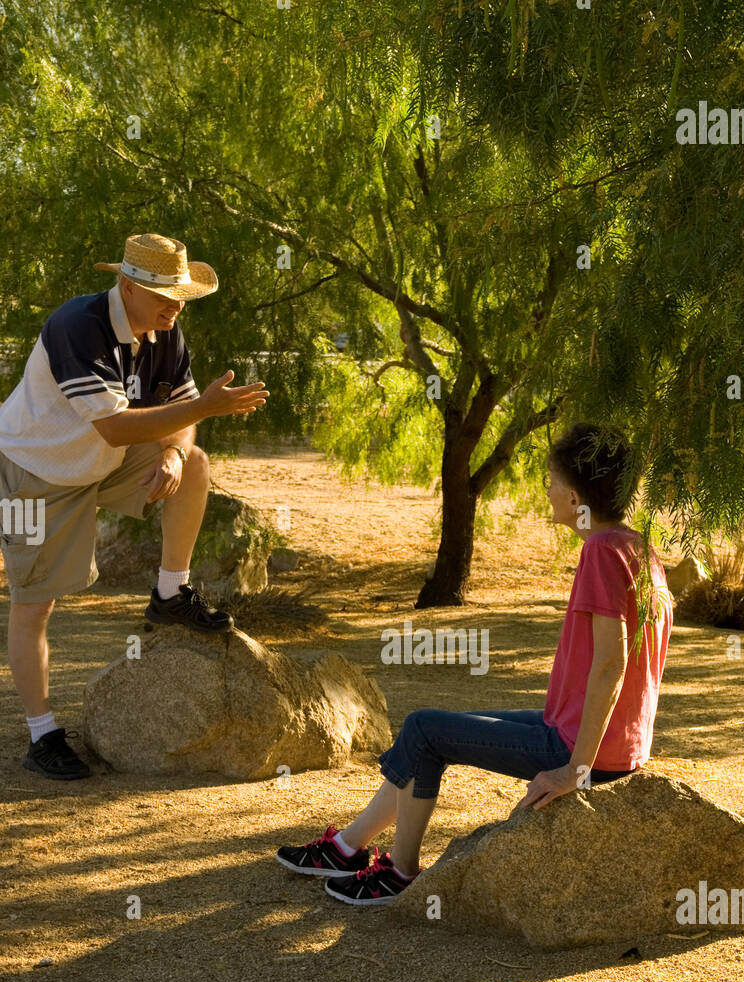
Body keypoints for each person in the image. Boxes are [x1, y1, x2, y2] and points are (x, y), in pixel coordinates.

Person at [276, 422, 673, 905]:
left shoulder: (600, 552)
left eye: (551, 481)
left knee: (423, 729)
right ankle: (346, 847)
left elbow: (612, 665)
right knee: (424, 735)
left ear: (574, 498)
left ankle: (400, 873)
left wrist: (576, 769)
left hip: (582, 750)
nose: (545, 491)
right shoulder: (641, 549)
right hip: (613, 742)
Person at [0, 233, 269, 780]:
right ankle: (41, 735)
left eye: (181, 295)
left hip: (102, 459)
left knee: (193, 464)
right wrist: (206, 408)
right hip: (36, 471)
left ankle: (170, 593)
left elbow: (178, 414)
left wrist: (173, 450)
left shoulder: (164, 328)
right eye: (167, 295)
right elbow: (117, 425)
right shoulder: (77, 325)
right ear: (127, 287)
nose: (177, 306)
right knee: (35, 606)